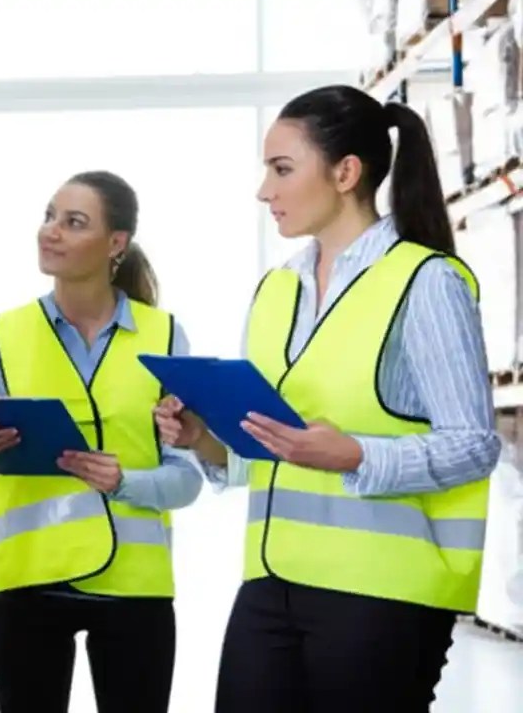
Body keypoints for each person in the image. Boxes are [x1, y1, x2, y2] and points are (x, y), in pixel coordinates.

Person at [155, 84, 501, 713]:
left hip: (382, 592)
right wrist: (202, 439)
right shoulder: (275, 291)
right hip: (272, 580)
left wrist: (355, 456)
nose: (265, 190)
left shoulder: (424, 282)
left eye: (282, 169)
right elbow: (265, 449)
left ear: (346, 173)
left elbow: (475, 445)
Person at [0, 171, 203, 713]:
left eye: (73, 222)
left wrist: (125, 481)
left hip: (135, 588)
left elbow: (187, 478)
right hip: (30, 583)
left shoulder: (165, 336)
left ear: (116, 244)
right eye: (49, 216)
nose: (51, 232)